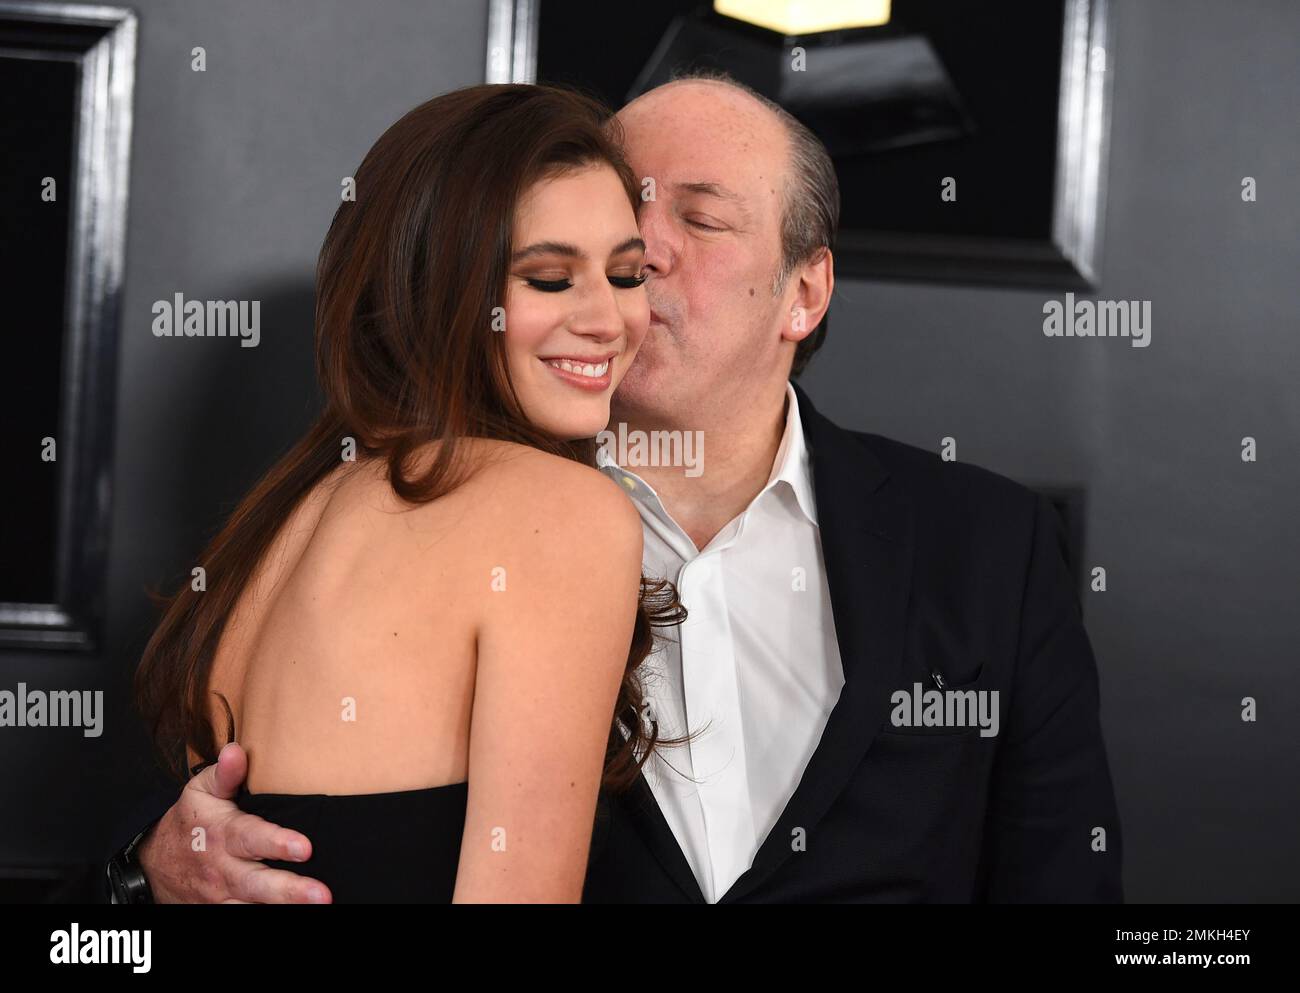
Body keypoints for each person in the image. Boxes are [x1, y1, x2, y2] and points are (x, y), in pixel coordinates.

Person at [110, 72, 1123, 904]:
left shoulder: (987, 542)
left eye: (699, 219)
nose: (641, 264)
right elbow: (240, 824)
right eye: (607, 223)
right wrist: (144, 873)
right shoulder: (460, 521)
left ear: (803, 291)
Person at [121, 83, 689, 903]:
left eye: (627, 272)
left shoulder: (289, 514)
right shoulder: (564, 514)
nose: (610, 318)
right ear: (441, 290)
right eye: (550, 279)